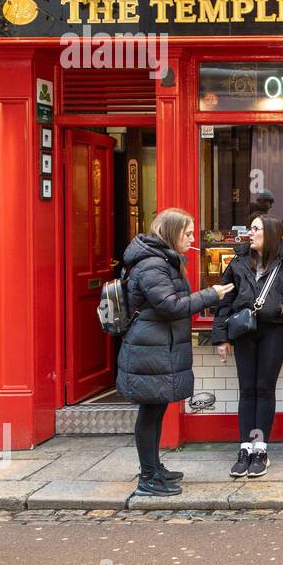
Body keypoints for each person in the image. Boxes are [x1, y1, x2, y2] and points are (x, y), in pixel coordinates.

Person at [116, 208, 233, 497]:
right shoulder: (153, 265)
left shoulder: (162, 261)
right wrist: (211, 295)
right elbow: (169, 306)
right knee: (150, 412)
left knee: (156, 410)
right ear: (171, 232)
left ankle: (155, 468)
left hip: (157, 345)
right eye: (188, 232)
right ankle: (148, 477)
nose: (193, 238)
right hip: (149, 348)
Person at [212, 214, 283, 478]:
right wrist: (221, 337)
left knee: (264, 388)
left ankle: (261, 449)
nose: (251, 232)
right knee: (247, 389)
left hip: (274, 330)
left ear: (270, 233)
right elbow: (225, 300)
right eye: (250, 228)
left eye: (256, 228)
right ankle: (245, 447)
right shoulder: (238, 260)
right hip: (243, 331)